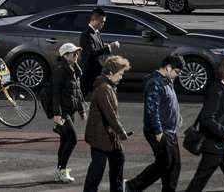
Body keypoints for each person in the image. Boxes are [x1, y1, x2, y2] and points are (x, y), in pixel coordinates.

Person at [184, 59, 224, 192]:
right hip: (214, 146)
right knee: (199, 181)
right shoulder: (216, 91)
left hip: (221, 144)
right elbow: (206, 118)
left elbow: (218, 113)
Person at [127, 55, 185, 192]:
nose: (178, 75)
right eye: (177, 72)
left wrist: (177, 117)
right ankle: (132, 186)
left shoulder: (167, 80)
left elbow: (169, 102)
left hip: (170, 130)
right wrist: (158, 131)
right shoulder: (155, 82)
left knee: (174, 164)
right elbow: (151, 109)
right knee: (164, 163)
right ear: (168, 67)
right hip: (159, 131)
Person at [82, 55, 130, 192]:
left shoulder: (109, 86)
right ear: (110, 73)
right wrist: (121, 132)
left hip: (107, 136)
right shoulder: (104, 89)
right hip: (100, 137)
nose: (121, 77)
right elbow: (110, 115)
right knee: (98, 169)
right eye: (120, 74)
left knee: (118, 160)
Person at [48, 42, 86, 183]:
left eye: (77, 53)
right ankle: (62, 170)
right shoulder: (60, 70)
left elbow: (78, 92)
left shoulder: (75, 69)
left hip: (71, 110)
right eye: (73, 53)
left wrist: (81, 110)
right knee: (73, 139)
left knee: (64, 141)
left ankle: (60, 171)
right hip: (63, 112)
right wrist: (57, 115)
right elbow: (55, 94)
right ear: (65, 56)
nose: (76, 55)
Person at [78, 9, 121, 89]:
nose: (103, 24)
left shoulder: (96, 31)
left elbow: (98, 46)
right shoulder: (86, 34)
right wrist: (109, 47)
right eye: (101, 21)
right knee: (83, 94)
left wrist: (107, 45)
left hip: (97, 70)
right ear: (93, 20)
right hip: (88, 71)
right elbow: (91, 52)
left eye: (104, 22)